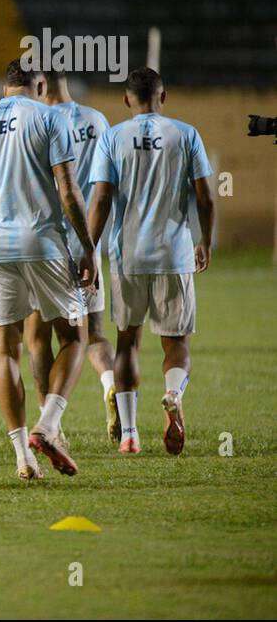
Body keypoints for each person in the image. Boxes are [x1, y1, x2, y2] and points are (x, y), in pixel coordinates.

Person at [0, 60, 95, 481]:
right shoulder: (50, 117)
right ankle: (49, 424)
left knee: (5, 348)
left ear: (5, 88)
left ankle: (23, 457)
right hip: (42, 240)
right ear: (39, 85)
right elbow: (69, 192)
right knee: (75, 335)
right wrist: (87, 247)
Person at [87, 67, 214, 456]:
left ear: (127, 100)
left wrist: (89, 250)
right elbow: (205, 197)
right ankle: (173, 395)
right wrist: (205, 240)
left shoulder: (112, 138)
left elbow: (103, 199)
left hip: (128, 256)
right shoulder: (186, 134)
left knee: (128, 342)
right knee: (176, 343)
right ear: (164, 97)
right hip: (173, 254)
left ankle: (129, 434)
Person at [24, 70, 116, 445]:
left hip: (45, 243)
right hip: (87, 244)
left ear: (40, 84)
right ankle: (109, 384)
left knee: (38, 338)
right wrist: (91, 244)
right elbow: (103, 188)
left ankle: (51, 423)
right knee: (93, 333)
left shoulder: (35, 122)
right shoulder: (97, 121)